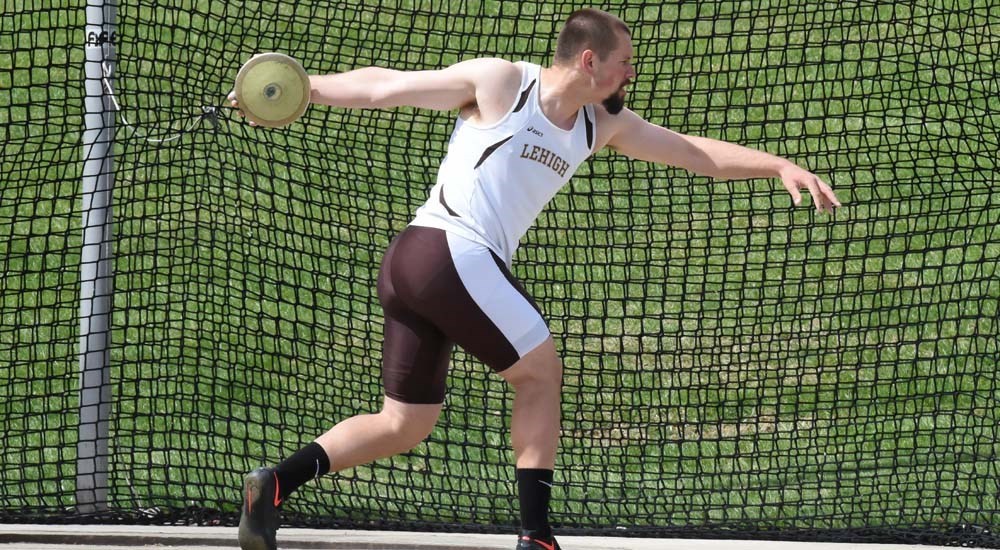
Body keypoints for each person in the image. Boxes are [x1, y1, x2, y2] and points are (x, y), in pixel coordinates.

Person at [228, 8, 842, 550]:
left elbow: (692, 153)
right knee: (540, 374)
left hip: (416, 263)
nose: (631, 74)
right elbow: (387, 87)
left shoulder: (601, 124)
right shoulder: (503, 82)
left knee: (405, 424)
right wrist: (301, 90)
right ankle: (536, 535)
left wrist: (778, 166)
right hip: (448, 250)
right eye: (624, 64)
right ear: (589, 60)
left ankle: (275, 483)